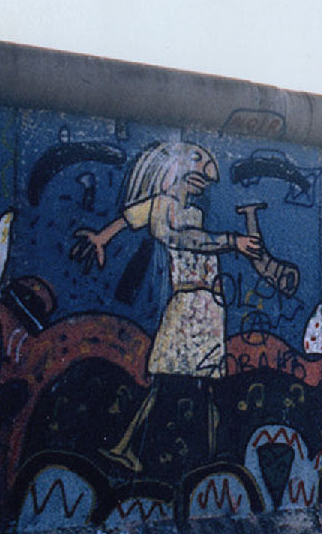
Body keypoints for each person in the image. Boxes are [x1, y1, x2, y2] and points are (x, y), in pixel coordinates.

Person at [72, 142, 262, 472]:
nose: (204, 176)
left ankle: (211, 451)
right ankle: (133, 445)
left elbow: (186, 238)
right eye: (196, 165)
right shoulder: (162, 207)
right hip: (188, 304)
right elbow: (177, 237)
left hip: (209, 305)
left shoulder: (195, 213)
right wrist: (233, 241)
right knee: (166, 378)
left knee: (207, 382)